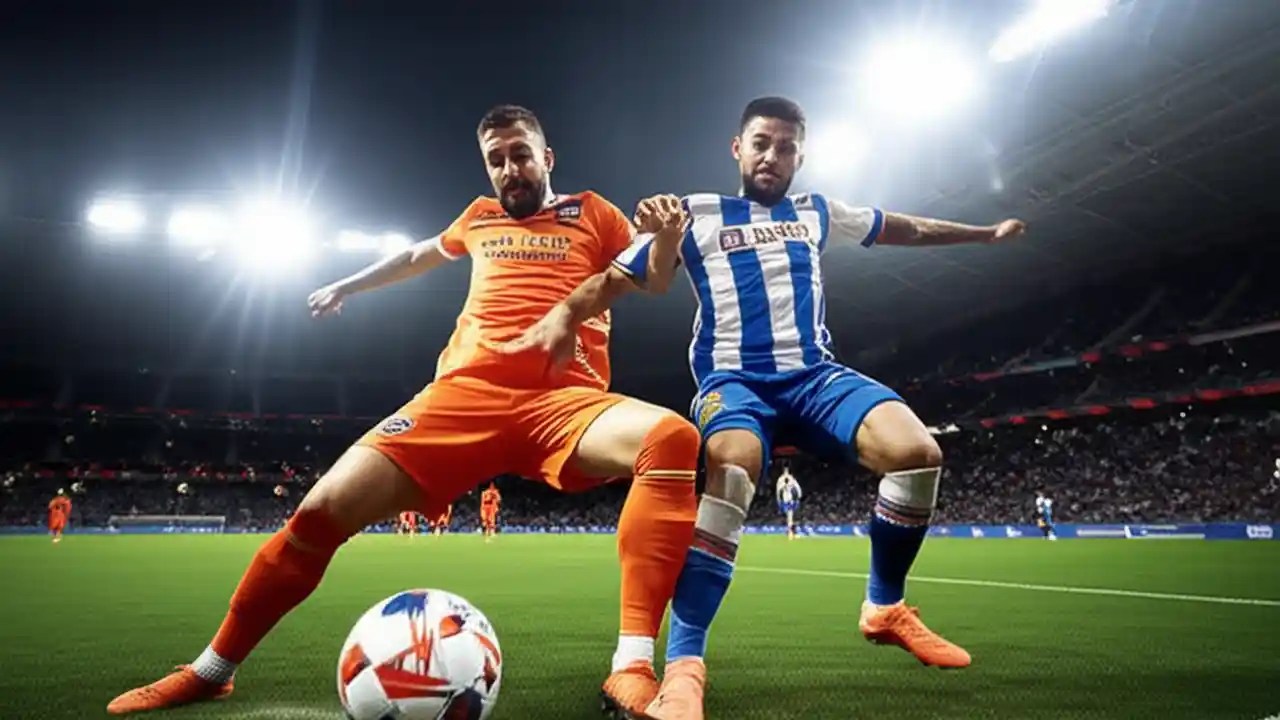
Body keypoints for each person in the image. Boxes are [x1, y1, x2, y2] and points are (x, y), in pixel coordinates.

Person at [106, 104, 699, 718]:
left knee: (672, 438)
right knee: (318, 512)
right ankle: (211, 670)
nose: (509, 168)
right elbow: (418, 256)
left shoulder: (593, 211)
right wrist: (347, 285)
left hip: (563, 401)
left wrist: (665, 237)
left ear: (547, 158)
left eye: (520, 154)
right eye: (496, 159)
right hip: (462, 397)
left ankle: (631, 667)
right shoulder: (478, 217)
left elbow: (652, 281)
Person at [588, 96, 1025, 718]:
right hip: (735, 381)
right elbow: (619, 278)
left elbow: (901, 227)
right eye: (761, 142)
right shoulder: (696, 212)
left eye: (787, 146)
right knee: (732, 470)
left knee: (918, 453)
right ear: (737, 148)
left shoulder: (817, 211)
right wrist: (558, 320)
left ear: (800, 154)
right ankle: (686, 666)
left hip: (815, 376)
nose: (774, 155)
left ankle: (883, 606)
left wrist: (982, 234)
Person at [775, 464, 802, 540]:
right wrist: (779, 500)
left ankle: (791, 532)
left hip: (790, 500)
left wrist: (798, 496)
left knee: (790, 517)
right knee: (789, 517)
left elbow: (797, 487)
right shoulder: (782, 479)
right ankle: (791, 533)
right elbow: (778, 490)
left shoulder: (790, 479)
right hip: (787, 500)